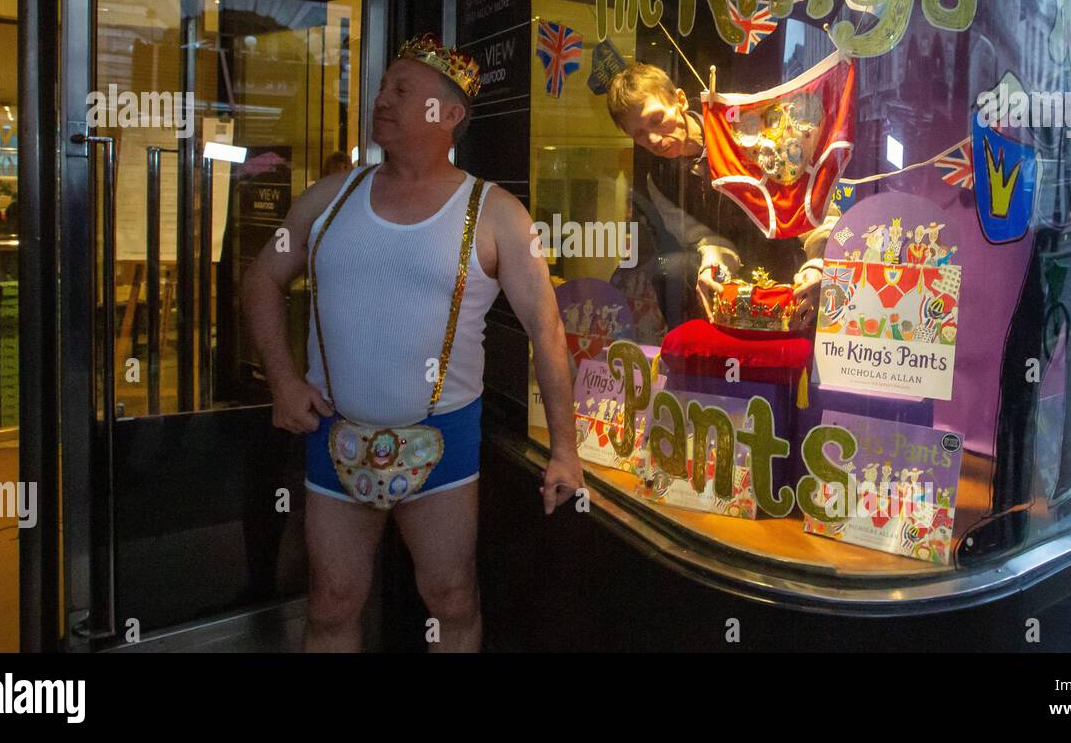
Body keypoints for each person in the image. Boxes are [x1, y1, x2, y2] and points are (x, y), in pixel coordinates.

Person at [243, 34, 583, 653]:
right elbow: (263, 276)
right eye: (381, 87)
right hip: (334, 436)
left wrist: (566, 448)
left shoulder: (497, 213)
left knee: (451, 598)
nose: (382, 100)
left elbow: (547, 329)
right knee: (331, 602)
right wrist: (284, 381)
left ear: (448, 114)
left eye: (402, 89)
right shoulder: (330, 197)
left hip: (445, 442)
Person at [606, 63, 837, 332]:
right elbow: (706, 239)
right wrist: (711, 267)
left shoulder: (744, 131)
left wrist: (819, 265)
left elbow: (814, 212)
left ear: (679, 100)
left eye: (657, 120)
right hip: (735, 282)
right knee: (673, 270)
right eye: (640, 134)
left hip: (794, 269)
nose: (654, 139)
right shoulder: (660, 181)